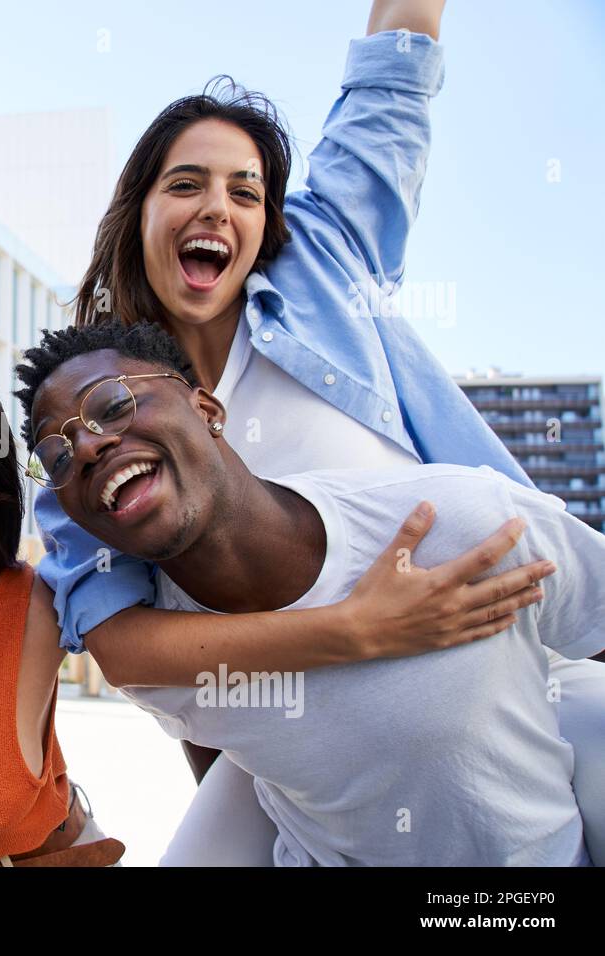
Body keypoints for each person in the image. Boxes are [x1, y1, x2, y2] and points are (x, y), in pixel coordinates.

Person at [31, 0, 605, 861]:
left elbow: (390, 89)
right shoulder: (91, 422)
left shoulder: (322, 268)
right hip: (295, 720)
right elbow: (128, 644)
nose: (217, 207)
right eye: (185, 184)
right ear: (139, 209)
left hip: (478, 667)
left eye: (246, 191)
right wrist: (356, 633)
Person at [19, 321, 603, 865]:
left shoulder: (462, 522)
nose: (88, 447)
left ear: (207, 409)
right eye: (57, 455)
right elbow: (220, 748)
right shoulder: (162, 663)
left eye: (113, 404)